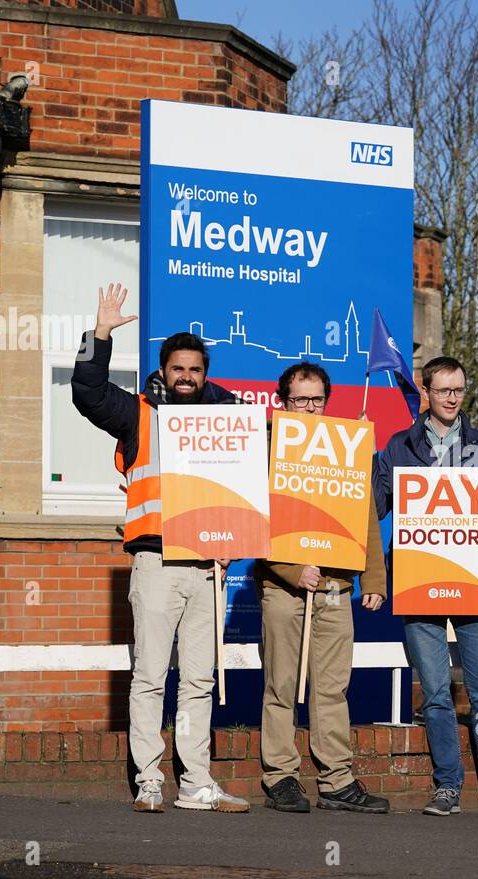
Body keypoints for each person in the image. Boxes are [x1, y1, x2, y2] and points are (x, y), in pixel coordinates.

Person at [71, 282, 249, 814]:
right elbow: (86, 391)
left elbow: (243, 490)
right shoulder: (139, 413)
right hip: (155, 560)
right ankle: (149, 779)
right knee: (150, 675)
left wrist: (231, 541)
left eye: (196, 369)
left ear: (204, 373)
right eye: (179, 369)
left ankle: (196, 782)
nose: (187, 377)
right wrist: (98, 333)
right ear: (164, 370)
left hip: (207, 566)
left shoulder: (227, 420)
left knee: (198, 680)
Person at [373, 356, 478, 821]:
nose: (452, 398)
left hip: (472, 580)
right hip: (418, 581)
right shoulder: (398, 446)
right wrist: (362, 473)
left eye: (459, 390)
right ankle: (447, 785)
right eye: (444, 390)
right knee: (434, 695)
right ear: (425, 393)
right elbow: (377, 506)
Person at [258, 362, 390, 814]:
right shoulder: (268, 449)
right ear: (283, 402)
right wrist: (293, 569)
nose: (310, 407)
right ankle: (281, 775)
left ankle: (336, 779)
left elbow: (365, 514)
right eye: (301, 399)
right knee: (281, 684)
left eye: (317, 399)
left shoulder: (345, 445)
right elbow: (252, 521)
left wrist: (373, 577)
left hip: (336, 586)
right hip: (283, 588)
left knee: (333, 687)